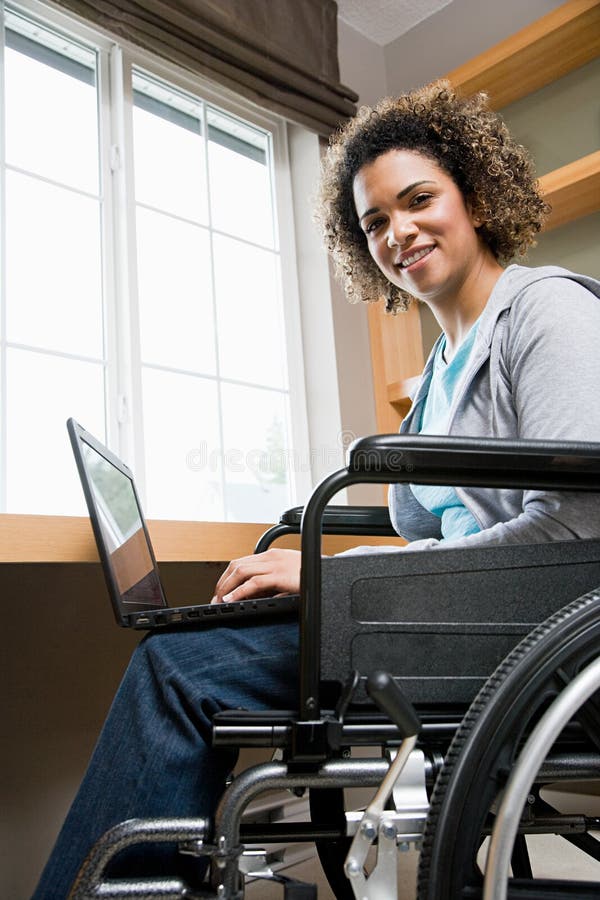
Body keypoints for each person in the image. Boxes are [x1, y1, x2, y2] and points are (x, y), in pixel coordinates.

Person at [33, 80, 600, 898]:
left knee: (175, 669)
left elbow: (580, 534)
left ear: (474, 197)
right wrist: (339, 574)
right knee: (201, 642)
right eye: (374, 222)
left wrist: (339, 579)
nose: (398, 233)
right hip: (454, 622)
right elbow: (441, 535)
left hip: (525, 634)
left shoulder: (545, 314)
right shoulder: (437, 372)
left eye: (418, 200)